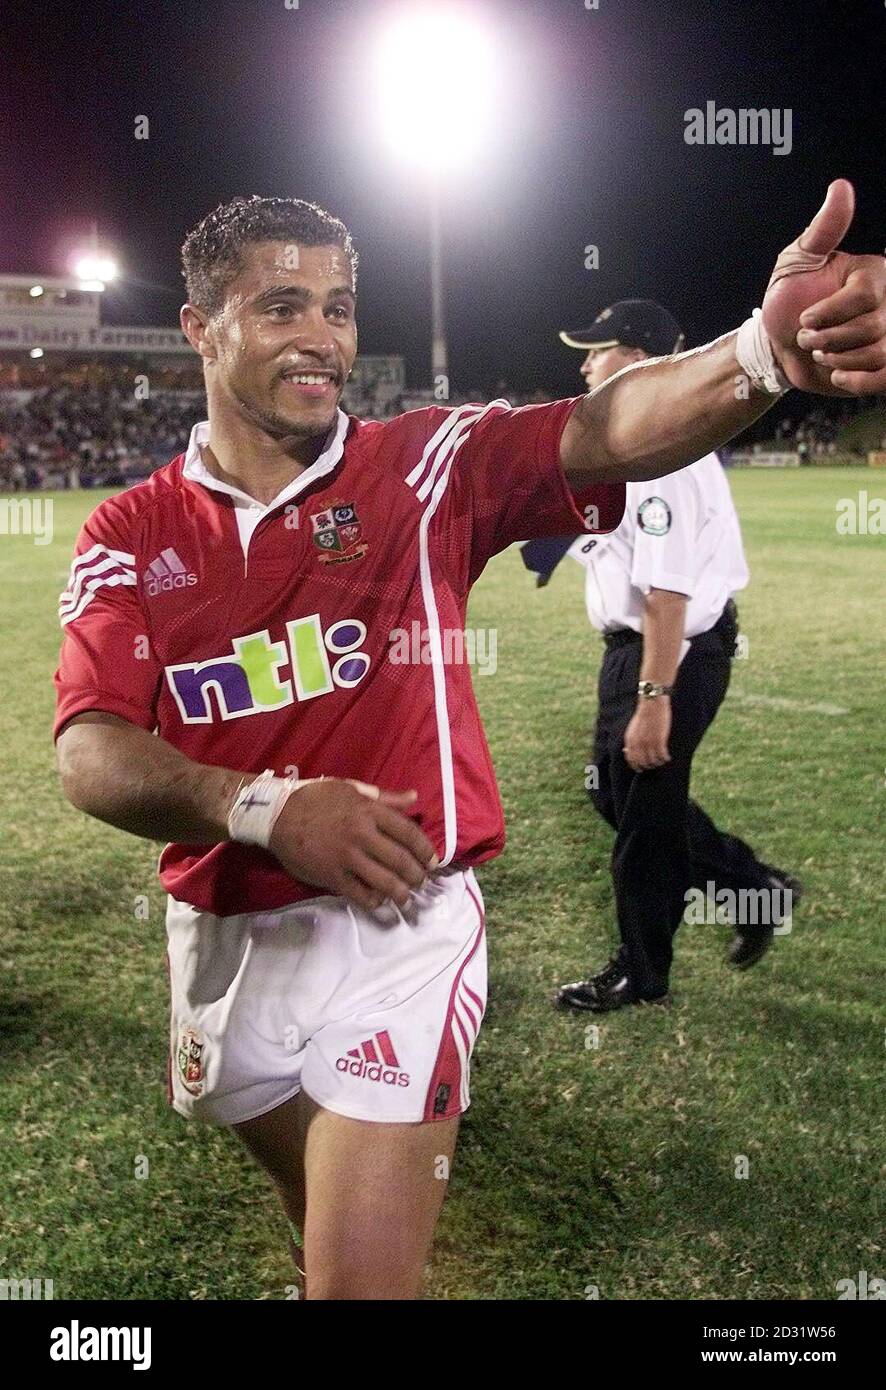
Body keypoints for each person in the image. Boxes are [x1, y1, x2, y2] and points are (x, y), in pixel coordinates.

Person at [53, 182, 886, 1298]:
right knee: (322, 1230)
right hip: (221, 943)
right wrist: (266, 808)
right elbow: (91, 748)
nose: (322, 339)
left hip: (401, 924)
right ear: (200, 329)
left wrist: (760, 356)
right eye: (283, 306)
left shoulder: (422, 464)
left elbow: (603, 430)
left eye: (340, 308)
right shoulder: (130, 530)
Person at [542, 301, 801, 1017]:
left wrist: (655, 694)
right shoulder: (643, 435)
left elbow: (668, 589)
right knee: (615, 796)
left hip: (671, 652)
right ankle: (755, 889)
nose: (586, 364)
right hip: (641, 651)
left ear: (636, 357)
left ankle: (642, 970)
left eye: (598, 351)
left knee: (645, 822)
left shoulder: (666, 447)